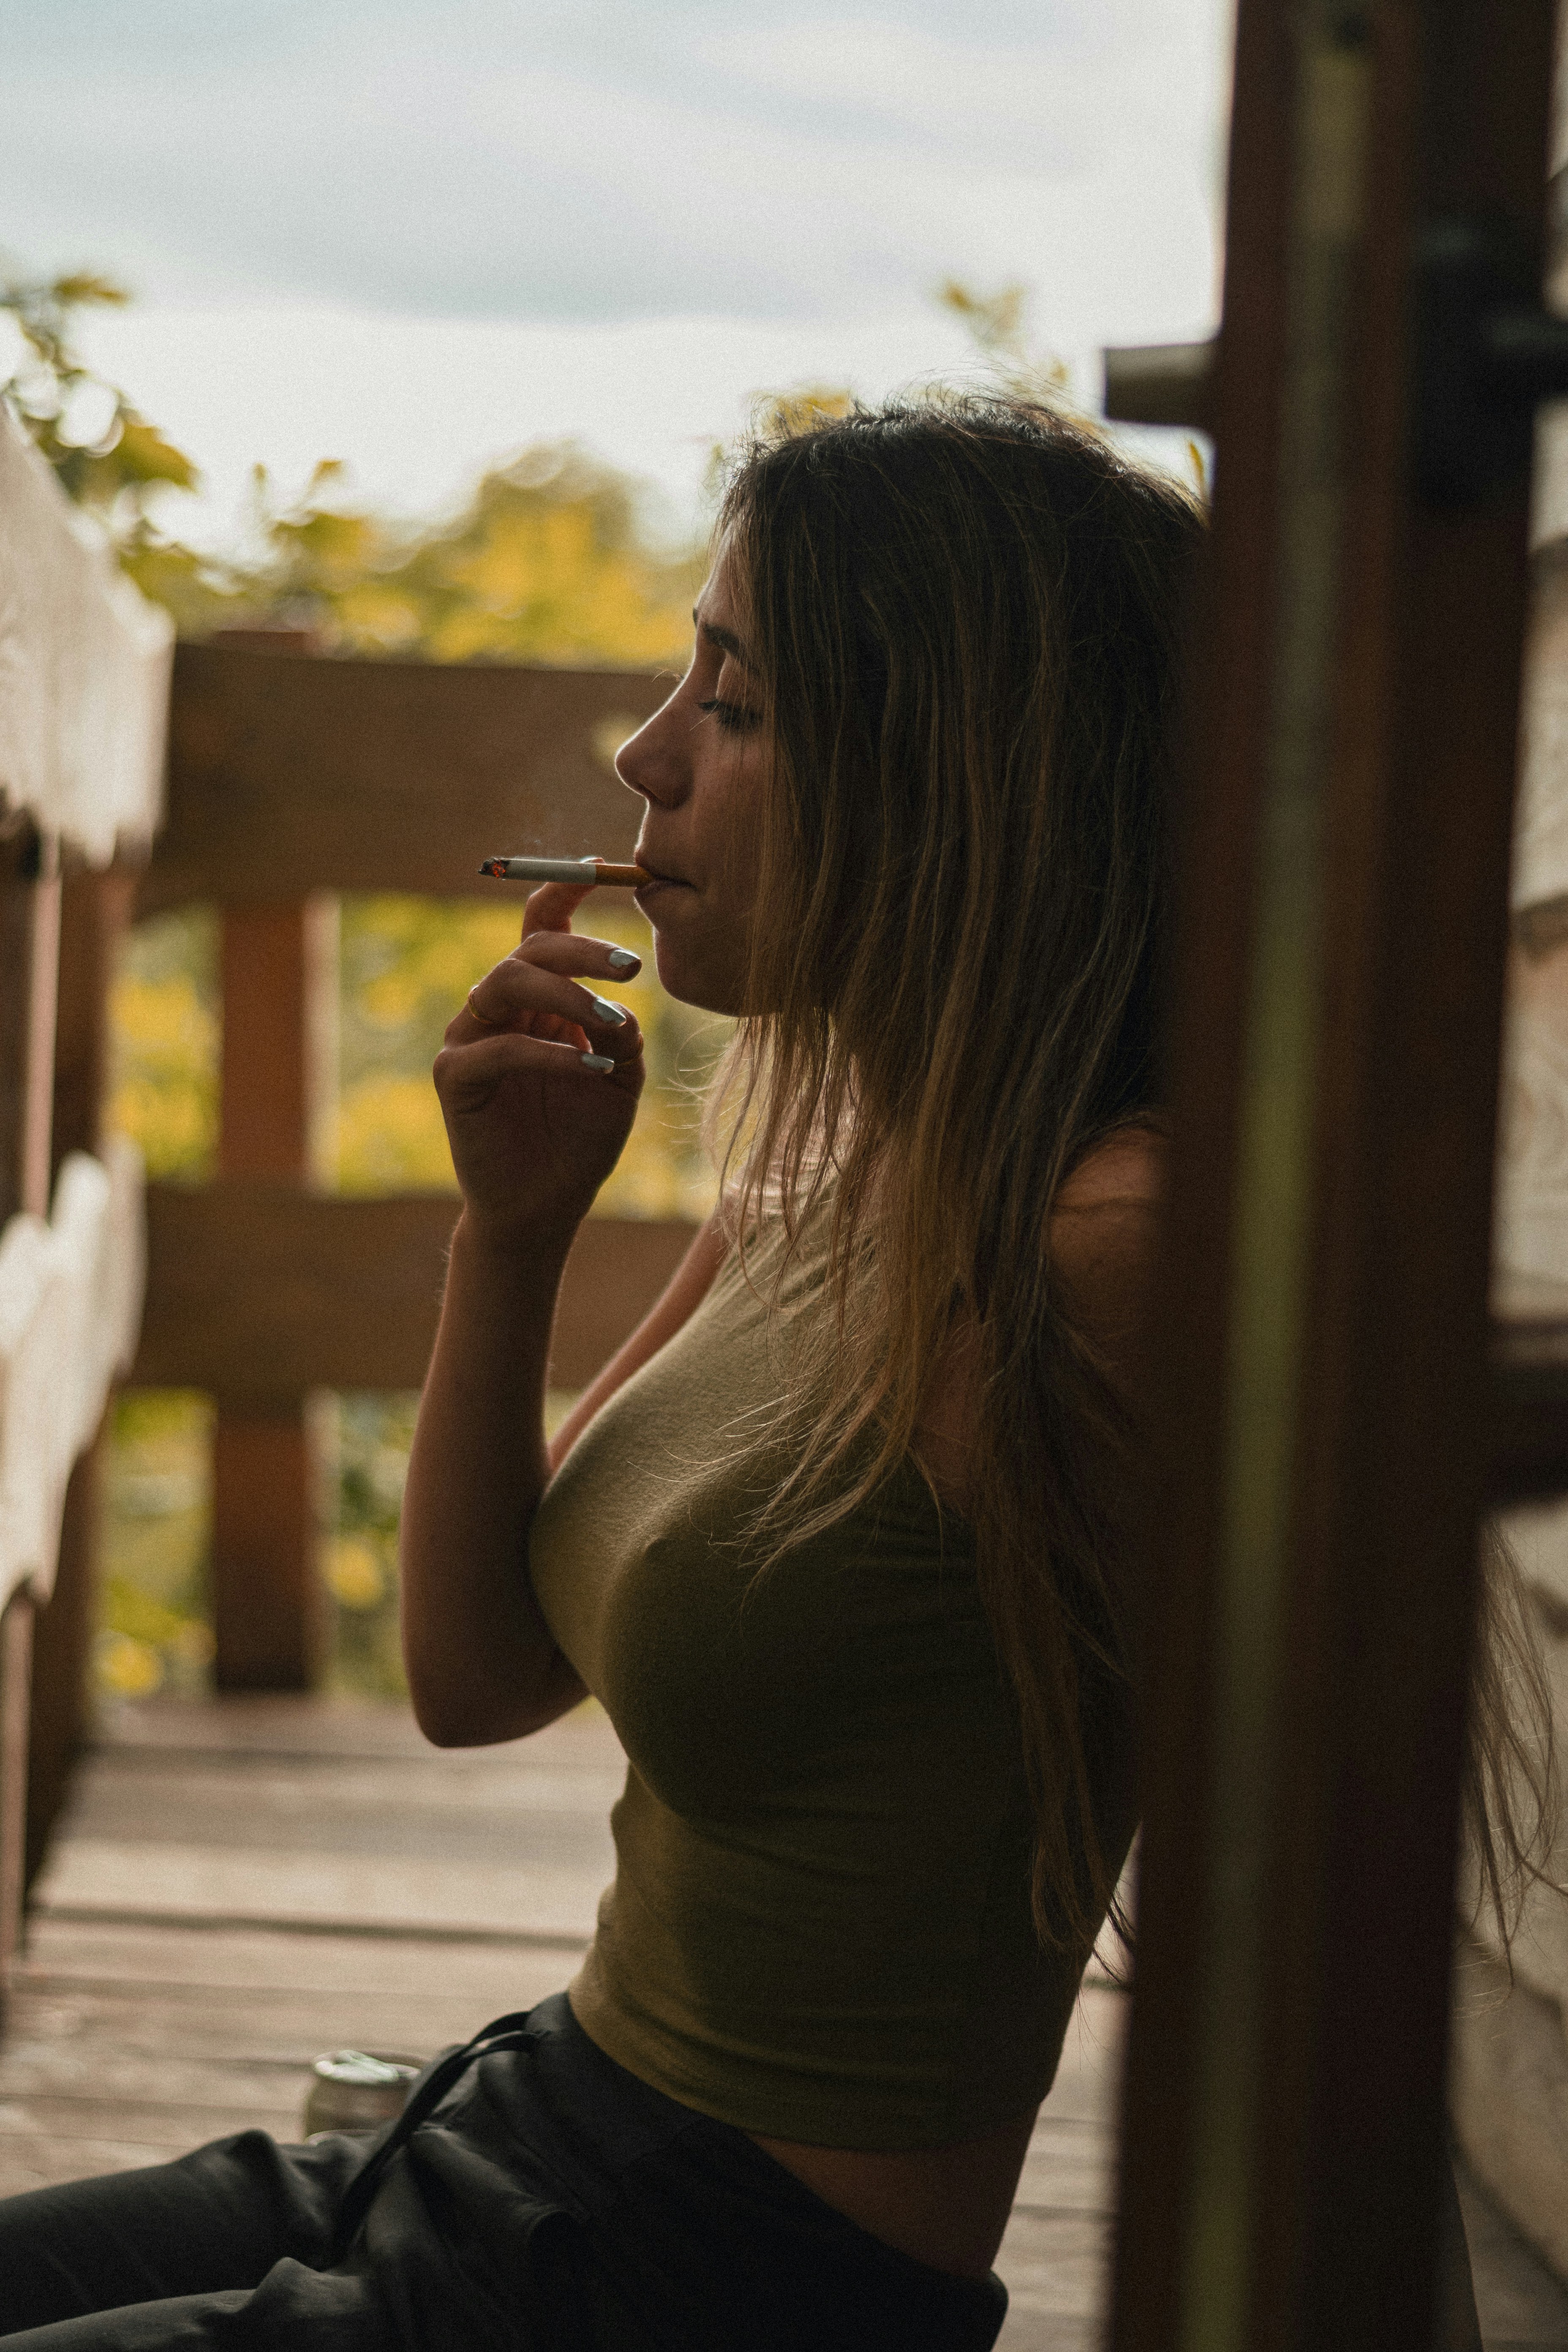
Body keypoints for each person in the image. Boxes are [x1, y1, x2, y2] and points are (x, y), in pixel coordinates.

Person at [0, 397, 1529, 2349]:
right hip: (514, 2125)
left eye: (732, 705)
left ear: (956, 776)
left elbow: (1322, 1890)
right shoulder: (834, 1170)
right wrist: (515, 1231)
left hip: (715, 2284)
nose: (641, 758)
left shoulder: (1114, 1252)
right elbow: (479, 1682)